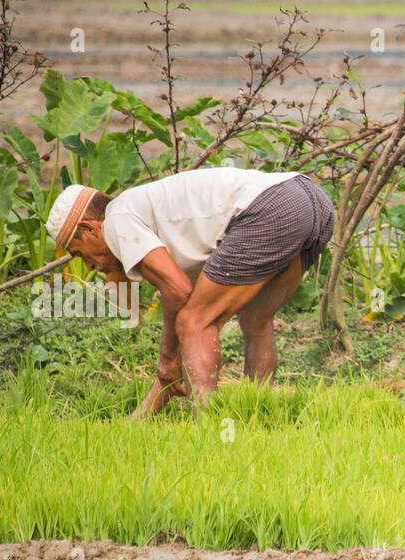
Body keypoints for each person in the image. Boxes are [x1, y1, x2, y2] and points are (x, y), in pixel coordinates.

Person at [43, 166, 335, 415]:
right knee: (255, 317)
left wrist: (167, 358)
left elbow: (178, 293)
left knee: (195, 322)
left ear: (91, 229)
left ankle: (208, 428)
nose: (91, 266)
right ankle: (259, 413)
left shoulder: (116, 221)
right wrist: (166, 374)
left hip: (273, 206)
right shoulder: (147, 213)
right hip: (309, 199)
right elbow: (185, 292)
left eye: (80, 254)